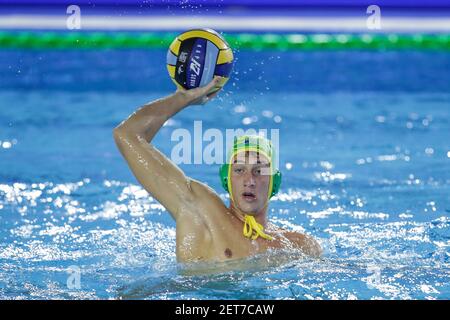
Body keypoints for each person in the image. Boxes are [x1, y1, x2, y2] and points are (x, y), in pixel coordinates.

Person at [113, 76, 321, 263]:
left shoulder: (300, 246)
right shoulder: (201, 210)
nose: (249, 180)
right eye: (239, 170)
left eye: (259, 171)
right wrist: (182, 98)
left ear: (275, 182)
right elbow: (127, 135)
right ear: (226, 178)